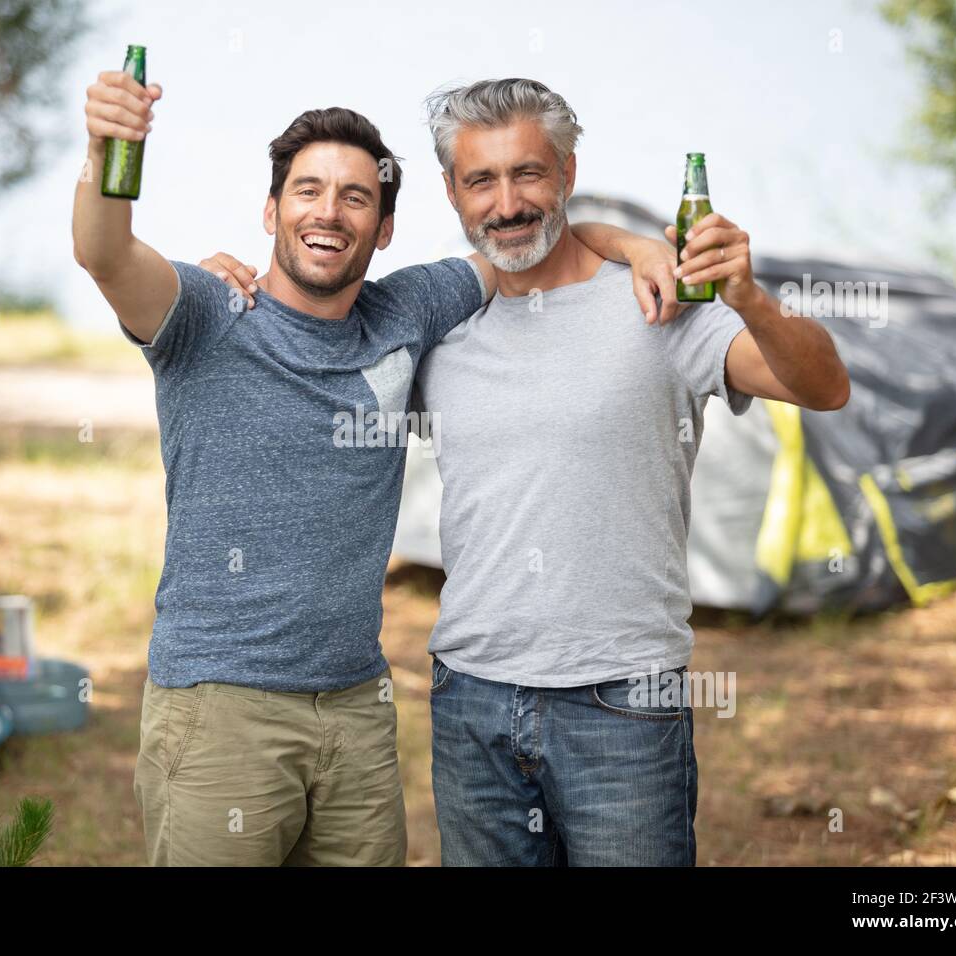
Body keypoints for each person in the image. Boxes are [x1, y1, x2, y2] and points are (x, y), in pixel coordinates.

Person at [72, 69, 672, 865]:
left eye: (356, 197)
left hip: (358, 709)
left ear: (384, 228)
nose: (328, 211)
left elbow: (524, 231)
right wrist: (104, 150)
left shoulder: (409, 310)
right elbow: (103, 251)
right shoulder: (204, 314)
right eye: (308, 190)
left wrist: (633, 242)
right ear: (271, 210)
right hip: (221, 708)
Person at [413, 78, 850, 866]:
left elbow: (825, 385)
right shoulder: (441, 326)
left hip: (623, 701)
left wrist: (749, 297)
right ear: (452, 191)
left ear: (569, 174)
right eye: (481, 179)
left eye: (529, 174)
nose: (507, 203)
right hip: (470, 700)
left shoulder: (663, 305)